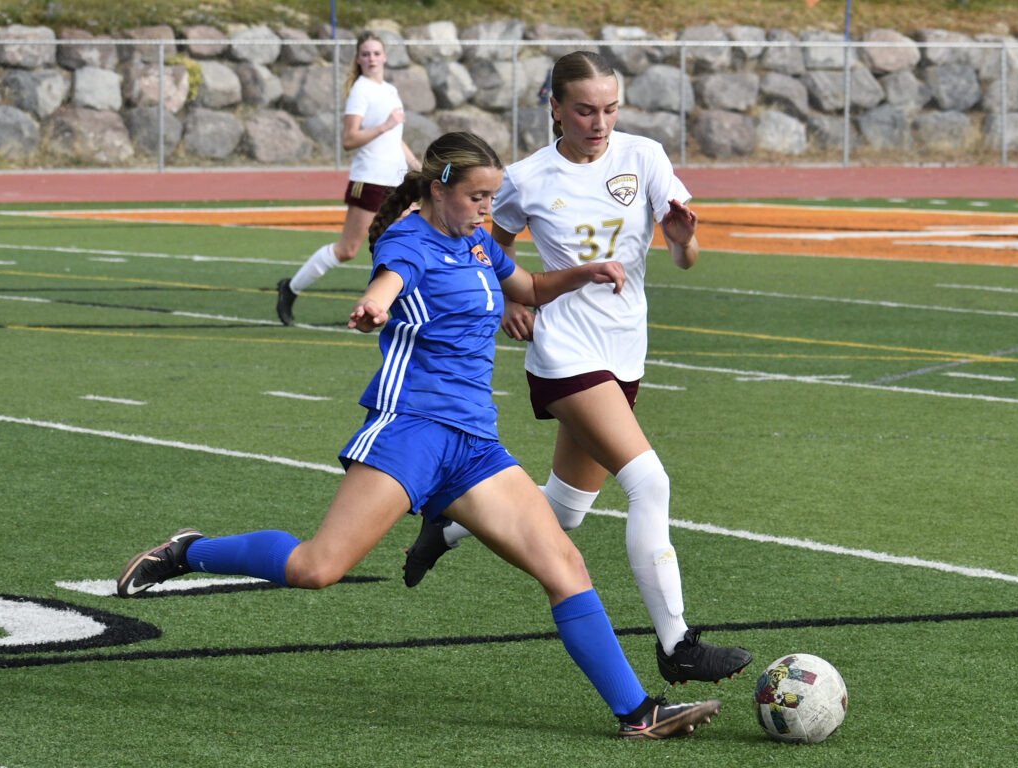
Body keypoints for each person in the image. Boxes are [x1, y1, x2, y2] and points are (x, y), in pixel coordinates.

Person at [118, 132, 720, 740]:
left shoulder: (479, 242)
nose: (487, 210)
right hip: (411, 431)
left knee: (564, 564)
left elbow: (529, 290)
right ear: (439, 190)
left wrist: (581, 273)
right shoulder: (410, 237)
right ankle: (188, 551)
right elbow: (392, 277)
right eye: (476, 197)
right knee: (315, 568)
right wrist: (375, 305)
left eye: (491, 198)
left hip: (475, 444)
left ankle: (638, 713)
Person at [402, 52, 753, 687]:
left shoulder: (643, 157)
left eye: (611, 108)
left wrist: (679, 237)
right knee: (650, 482)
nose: (600, 122)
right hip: (565, 354)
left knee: (563, 512)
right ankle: (677, 646)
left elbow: (687, 258)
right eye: (586, 110)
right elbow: (490, 245)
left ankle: (450, 524)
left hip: (624, 350)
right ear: (555, 106)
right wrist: (512, 297)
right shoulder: (528, 177)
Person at [275, 30, 421, 326]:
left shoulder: (390, 89)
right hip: (369, 179)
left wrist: (417, 167)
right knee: (348, 249)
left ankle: (401, 309)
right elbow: (349, 138)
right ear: (358, 58)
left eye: (376, 53)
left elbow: (396, 137)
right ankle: (290, 289)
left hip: (395, 179)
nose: (371, 59)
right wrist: (384, 125)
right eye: (365, 54)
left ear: (385, 57)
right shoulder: (361, 90)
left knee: (402, 241)